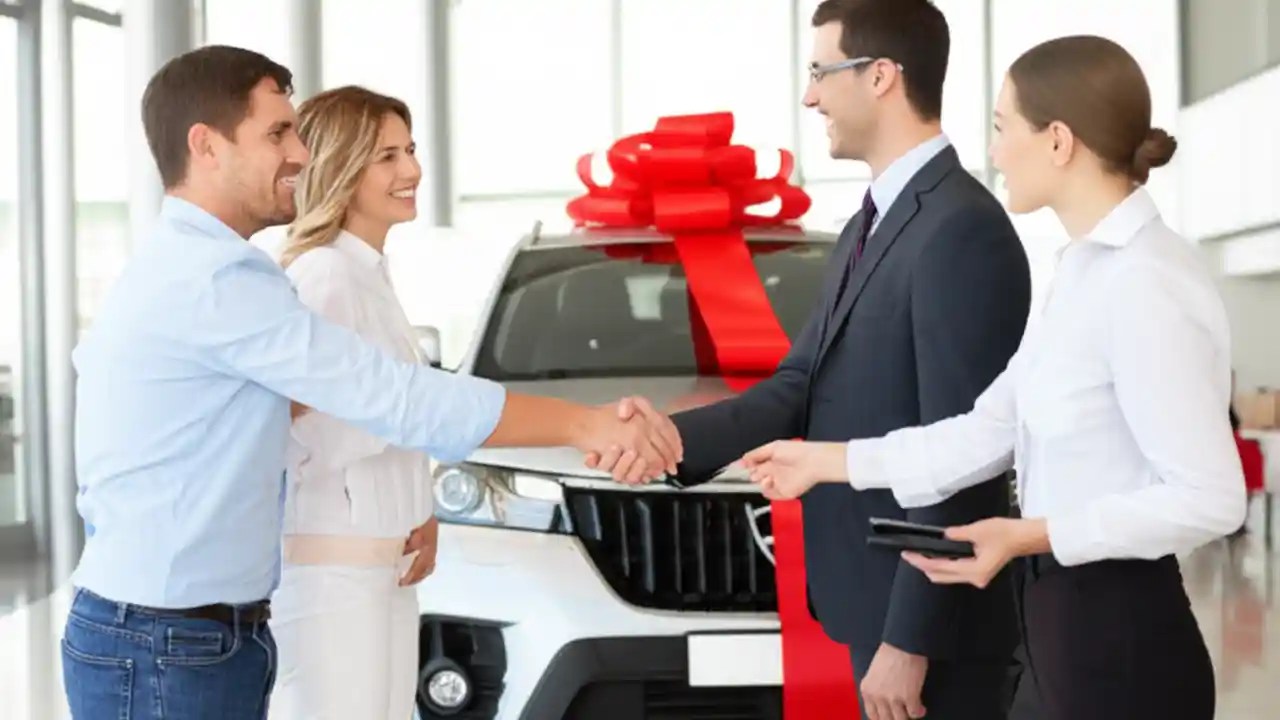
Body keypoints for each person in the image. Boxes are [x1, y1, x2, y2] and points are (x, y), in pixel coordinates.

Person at [62, 46, 680, 720]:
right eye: (278, 134)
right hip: (165, 640)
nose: (301, 154)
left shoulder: (217, 272)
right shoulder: (214, 281)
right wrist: (585, 424)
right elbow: (392, 399)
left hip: (201, 631)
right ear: (205, 146)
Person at [743, 34, 1246, 720]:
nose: (996, 152)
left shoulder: (1145, 282)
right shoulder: (1080, 272)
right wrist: (823, 463)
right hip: (1055, 633)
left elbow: (1211, 498)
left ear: (1059, 141)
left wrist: (1028, 535)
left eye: (1004, 129)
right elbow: (988, 429)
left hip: (1121, 647)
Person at [597, 2, 1031, 718]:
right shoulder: (872, 223)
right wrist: (673, 439)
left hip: (931, 629)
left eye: (820, 71)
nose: (810, 96)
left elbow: (965, 455)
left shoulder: (961, 231)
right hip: (871, 599)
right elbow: (801, 383)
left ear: (882, 76)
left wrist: (909, 640)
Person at [261, 85, 438, 719]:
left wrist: (419, 506)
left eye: (410, 150)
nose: (412, 170)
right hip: (332, 574)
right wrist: (424, 412)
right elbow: (313, 430)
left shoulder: (364, 271)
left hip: (376, 566)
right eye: (386, 156)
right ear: (339, 165)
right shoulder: (326, 275)